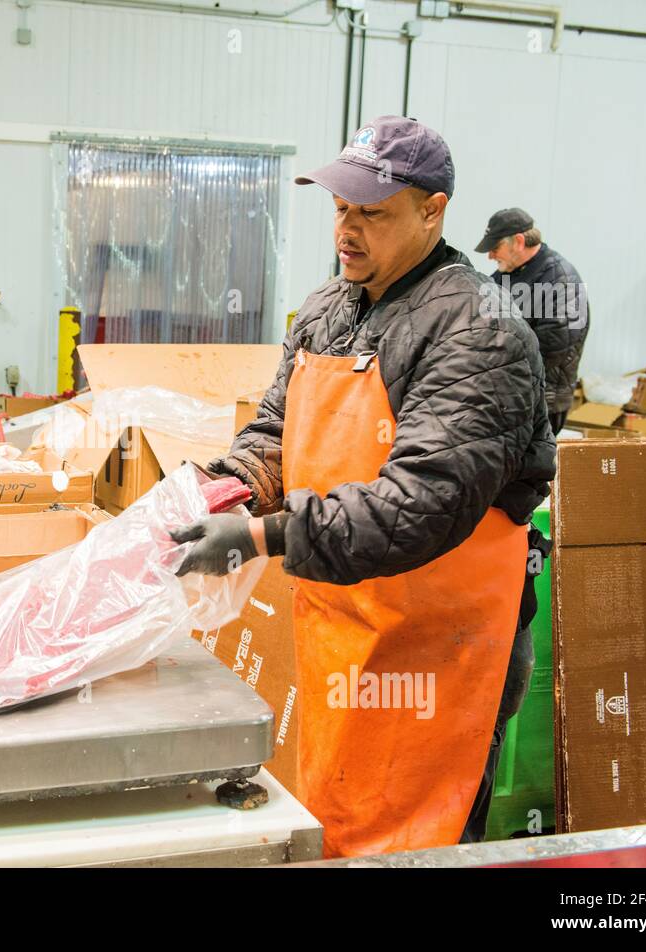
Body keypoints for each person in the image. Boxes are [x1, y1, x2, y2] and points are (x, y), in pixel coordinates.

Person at [171, 116, 556, 858]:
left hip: (437, 652)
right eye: (340, 207)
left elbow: (423, 502)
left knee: (416, 838)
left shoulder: (482, 331)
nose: (346, 230)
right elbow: (275, 434)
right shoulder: (327, 308)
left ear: (433, 210)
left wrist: (259, 536)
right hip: (341, 624)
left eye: (372, 213)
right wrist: (218, 492)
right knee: (335, 819)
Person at [476, 208, 589, 435]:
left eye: (495, 248)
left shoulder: (562, 280)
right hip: (507, 395)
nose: (490, 256)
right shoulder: (505, 275)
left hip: (542, 402)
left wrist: (496, 365)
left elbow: (554, 346)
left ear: (518, 242)